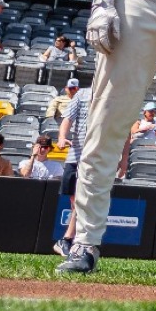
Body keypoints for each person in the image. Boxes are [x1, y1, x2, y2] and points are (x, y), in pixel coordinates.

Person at [55, 84, 91, 255]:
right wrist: (62, 137)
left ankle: (69, 239)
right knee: (75, 200)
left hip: (96, 158)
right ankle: (70, 240)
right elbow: (67, 119)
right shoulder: (82, 94)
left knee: (82, 200)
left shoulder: (114, 97)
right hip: (76, 155)